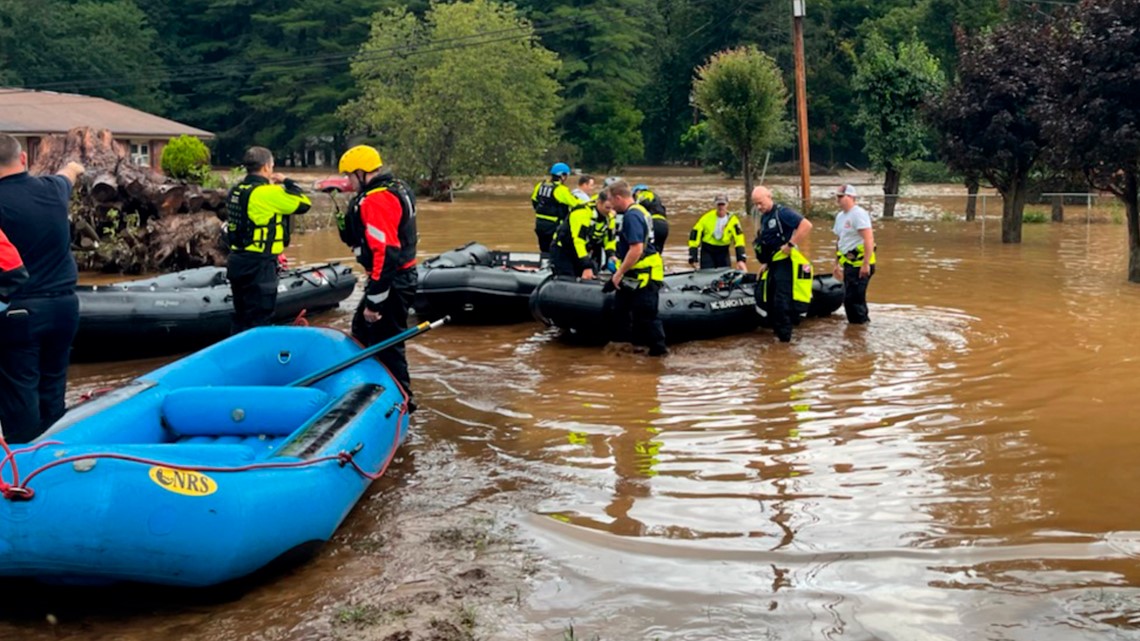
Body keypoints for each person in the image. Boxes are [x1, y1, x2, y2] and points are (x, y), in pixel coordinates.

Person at [0, 133, 84, 443]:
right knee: (54, 390)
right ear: (23, 159)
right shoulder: (52, 189)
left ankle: (25, 472)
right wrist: (76, 166)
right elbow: (69, 174)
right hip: (64, 306)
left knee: (19, 397)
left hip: (18, 309)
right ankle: (59, 456)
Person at [337, 145, 419, 413]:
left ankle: (402, 402)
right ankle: (371, 388)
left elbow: (386, 252)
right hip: (395, 278)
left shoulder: (376, 200)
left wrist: (375, 302)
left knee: (388, 342)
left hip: (392, 280)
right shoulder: (396, 187)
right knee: (361, 331)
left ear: (362, 173)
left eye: (350, 176)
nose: (348, 182)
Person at [225, 146, 311, 334]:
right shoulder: (268, 193)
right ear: (265, 168)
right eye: (272, 166)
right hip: (260, 265)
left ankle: (237, 354)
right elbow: (305, 203)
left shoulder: (236, 191)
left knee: (241, 317)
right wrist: (286, 181)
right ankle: (259, 358)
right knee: (260, 318)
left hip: (237, 261)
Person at [605, 181, 667, 356]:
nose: (610, 205)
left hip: (645, 274)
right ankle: (625, 350)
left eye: (611, 200)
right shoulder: (641, 210)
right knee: (621, 310)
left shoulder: (632, 216)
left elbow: (636, 249)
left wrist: (619, 273)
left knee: (647, 317)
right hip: (635, 274)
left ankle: (658, 356)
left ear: (618, 198)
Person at [751, 186, 813, 343]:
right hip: (773, 264)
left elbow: (806, 225)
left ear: (769, 196)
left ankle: (785, 341)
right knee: (770, 300)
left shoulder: (782, 213)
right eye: (756, 204)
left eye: (760, 203)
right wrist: (765, 263)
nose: (759, 207)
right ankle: (777, 338)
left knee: (781, 301)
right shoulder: (765, 216)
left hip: (785, 264)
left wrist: (791, 244)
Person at [832, 184, 876, 324]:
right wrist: (836, 263)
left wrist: (866, 264)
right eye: (836, 196)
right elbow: (840, 240)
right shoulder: (840, 216)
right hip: (848, 264)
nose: (837, 200)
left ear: (851, 197)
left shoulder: (858, 214)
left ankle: (860, 330)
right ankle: (857, 330)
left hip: (860, 265)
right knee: (850, 300)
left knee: (853, 301)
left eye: (840, 196)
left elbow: (868, 239)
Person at [550, 192, 614, 279]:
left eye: (613, 208)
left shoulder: (609, 216)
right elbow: (578, 241)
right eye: (607, 208)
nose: (610, 211)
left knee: (593, 276)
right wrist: (586, 265)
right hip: (564, 249)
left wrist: (611, 254)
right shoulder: (582, 212)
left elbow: (610, 239)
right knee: (567, 277)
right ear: (599, 202)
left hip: (583, 251)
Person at [688, 193, 747, 270]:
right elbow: (694, 235)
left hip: (723, 251)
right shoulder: (706, 218)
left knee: (725, 275)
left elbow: (739, 239)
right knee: (707, 274)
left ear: (727, 205)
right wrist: (693, 255)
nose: (721, 207)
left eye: (723, 204)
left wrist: (741, 259)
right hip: (708, 250)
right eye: (719, 204)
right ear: (715, 205)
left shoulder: (733, 221)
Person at [531, 162, 579, 255]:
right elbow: (575, 204)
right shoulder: (560, 190)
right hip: (554, 225)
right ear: (562, 176)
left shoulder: (540, 185)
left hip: (539, 224)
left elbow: (534, 201)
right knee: (556, 250)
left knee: (544, 249)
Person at [632, 184, 669, 253]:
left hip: (653, 223)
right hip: (664, 225)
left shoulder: (645, 194)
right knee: (658, 251)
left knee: (648, 250)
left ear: (638, 191)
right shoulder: (656, 198)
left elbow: (638, 208)